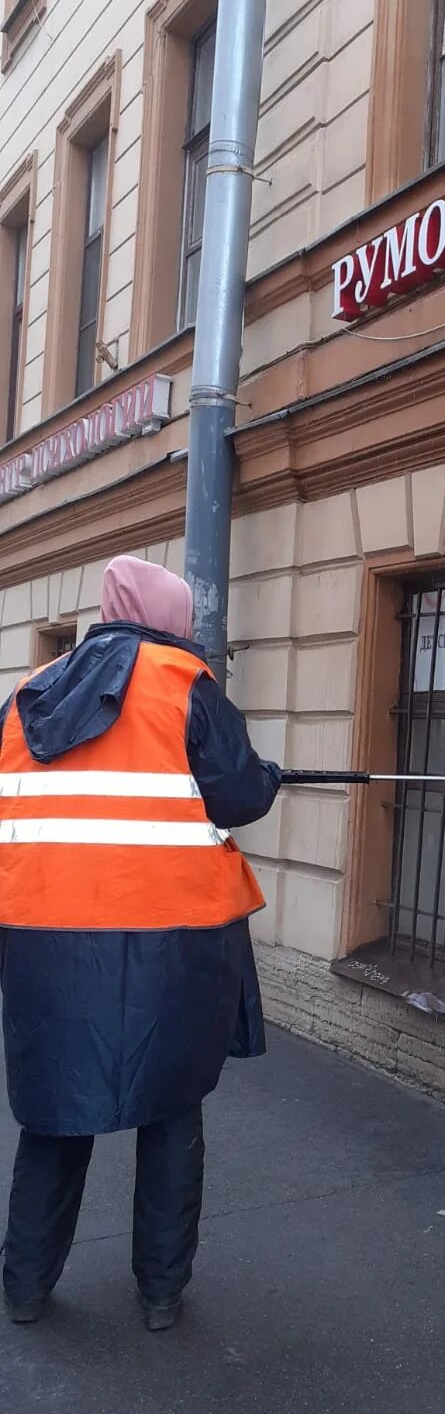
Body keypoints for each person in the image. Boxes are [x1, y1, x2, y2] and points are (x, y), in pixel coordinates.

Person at [0, 555, 280, 1332]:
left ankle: (24, 1288)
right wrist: (269, 776)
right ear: (173, 615)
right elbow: (240, 794)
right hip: (171, 947)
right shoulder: (184, 683)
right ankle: (160, 1295)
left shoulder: (30, 694)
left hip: (42, 945)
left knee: (55, 1121)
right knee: (169, 1115)